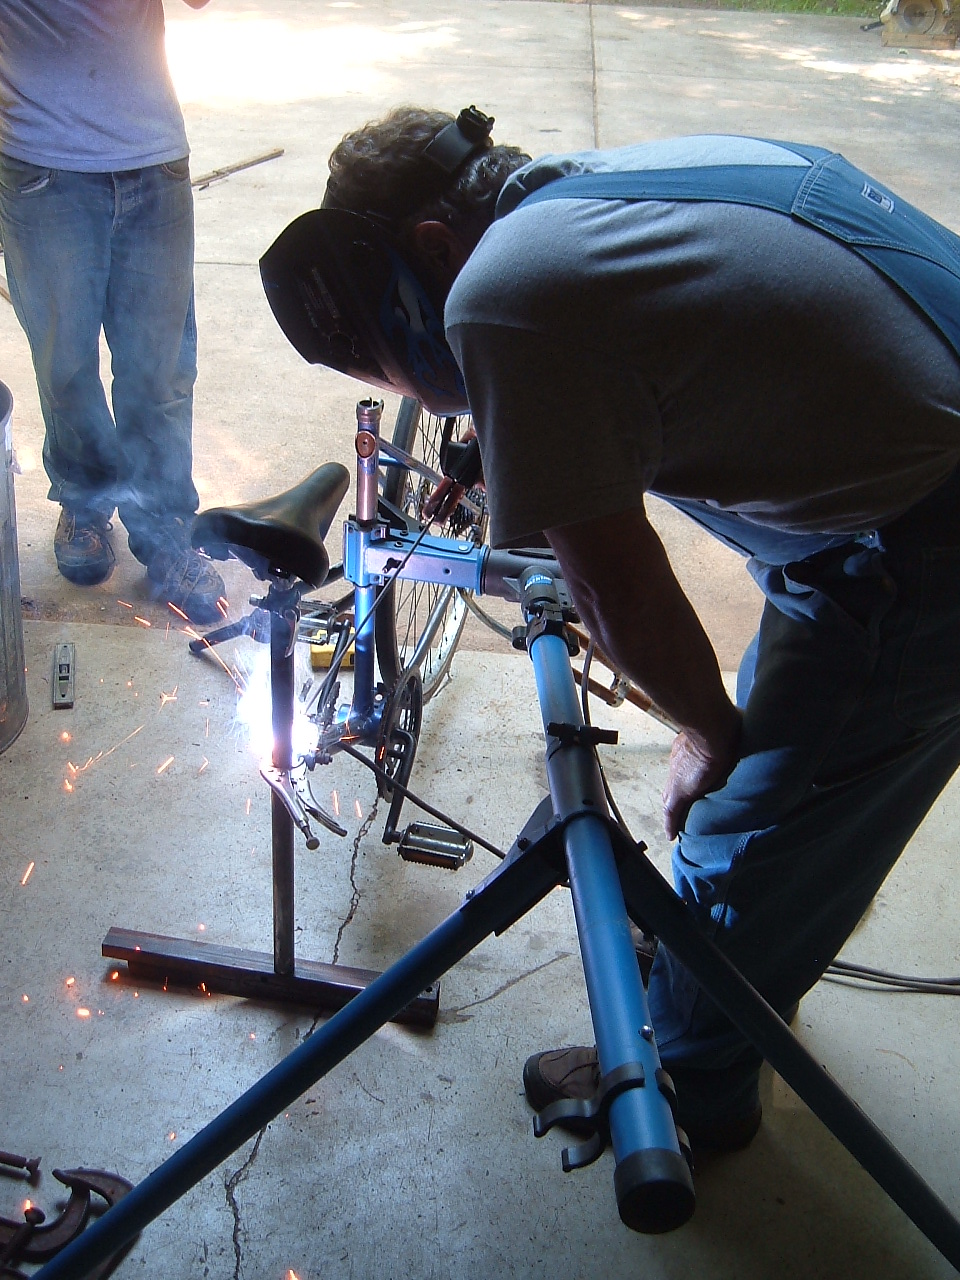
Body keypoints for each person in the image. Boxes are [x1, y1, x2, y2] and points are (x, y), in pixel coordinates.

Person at [321, 107, 960, 1151]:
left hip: (923, 547)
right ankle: (727, 980)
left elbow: (618, 588)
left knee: (754, 830)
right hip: (899, 476)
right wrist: (511, 432)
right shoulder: (584, 192)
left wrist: (705, 730)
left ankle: (686, 1088)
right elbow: (643, 347)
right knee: (788, 786)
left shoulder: (500, 294)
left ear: (436, 249)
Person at [0, 0, 226, 625]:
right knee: (64, 365)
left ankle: (165, 532)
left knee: (158, 373)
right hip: (42, 163)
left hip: (152, 158)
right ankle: (86, 500)